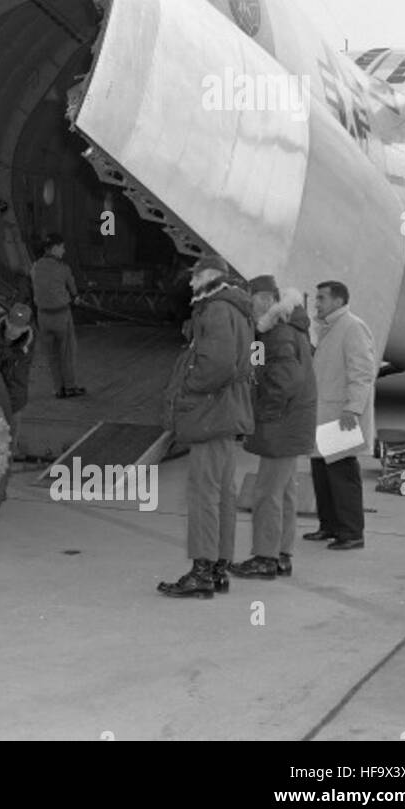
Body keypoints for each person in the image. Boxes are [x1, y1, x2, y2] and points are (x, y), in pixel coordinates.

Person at [158, 253, 254, 598]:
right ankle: (216, 568)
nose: (190, 282)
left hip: (211, 414)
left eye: (194, 276)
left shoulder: (215, 310)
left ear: (209, 276)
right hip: (226, 414)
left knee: (203, 494)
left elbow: (217, 366)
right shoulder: (234, 309)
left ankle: (202, 571)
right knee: (222, 493)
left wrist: (188, 387)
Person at [231, 276, 317, 579]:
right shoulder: (286, 329)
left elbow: (286, 380)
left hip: (281, 425)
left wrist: (264, 414)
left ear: (267, 300)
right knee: (285, 492)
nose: (248, 305)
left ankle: (265, 558)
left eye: (250, 299)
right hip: (292, 423)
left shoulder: (278, 333)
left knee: (267, 492)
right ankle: (281, 554)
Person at [307, 280, 375, 550]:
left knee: (341, 474)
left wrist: (352, 408)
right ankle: (330, 526)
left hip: (341, 414)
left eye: (321, 298)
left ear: (338, 301)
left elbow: (362, 372)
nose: (317, 303)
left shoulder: (352, 327)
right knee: (322, 472)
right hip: (326, 413)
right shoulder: (328, 328)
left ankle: (351, 533)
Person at [30, 233, 85, 398]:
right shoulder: (63, 268)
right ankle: (70, 387)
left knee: (52, 355)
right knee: (66, 353)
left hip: (43, 317)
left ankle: (58, 389)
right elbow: (74, 291)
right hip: (61, 316)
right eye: (62, 247)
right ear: (54, 248)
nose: (64, 250)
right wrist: (76, 298)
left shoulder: (35, 266)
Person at [0, 301, 36, 457]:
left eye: (19, 328)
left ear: (26, 328)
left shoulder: (27, 346)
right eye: (11, 325)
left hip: (12, 390)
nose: (13, 331)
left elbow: (18, 379)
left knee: (14, 417)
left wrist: (10, 405)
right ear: (6, 320)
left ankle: (9, 453)